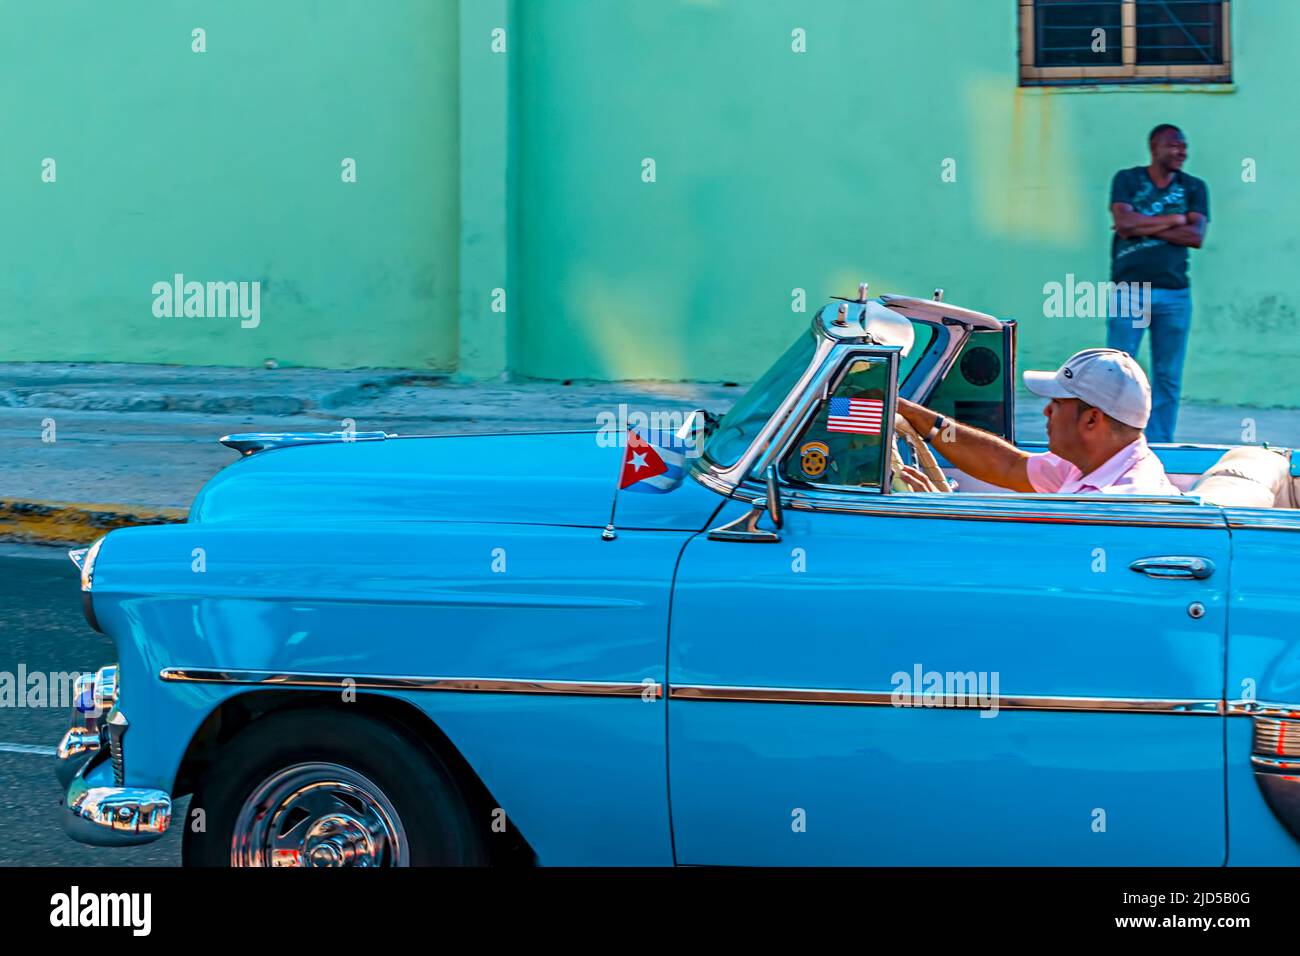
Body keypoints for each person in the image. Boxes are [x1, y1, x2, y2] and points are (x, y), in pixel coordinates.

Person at [895, 348, 1180, 496]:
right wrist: (917, 417)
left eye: (1057, 403)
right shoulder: (1095, 463)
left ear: (1092, 419)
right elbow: (1007, 465)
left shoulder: (1118, 499)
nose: (1046, 412)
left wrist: (941, 514)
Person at [1106, 124, 1209, 443]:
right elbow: (1123, 222)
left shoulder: (1194, 187)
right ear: (1155, 147)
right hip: (1129, 293)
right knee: (1118, 373)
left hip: (1175, 294)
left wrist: (1142, 227)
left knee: (1168, 376)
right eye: (1175, 145)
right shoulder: (1127, 180)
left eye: (1184, 146)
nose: (1182, 152)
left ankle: (1161, 442)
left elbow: (1195, 236)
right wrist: (1175, 220)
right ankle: (1116, 442)